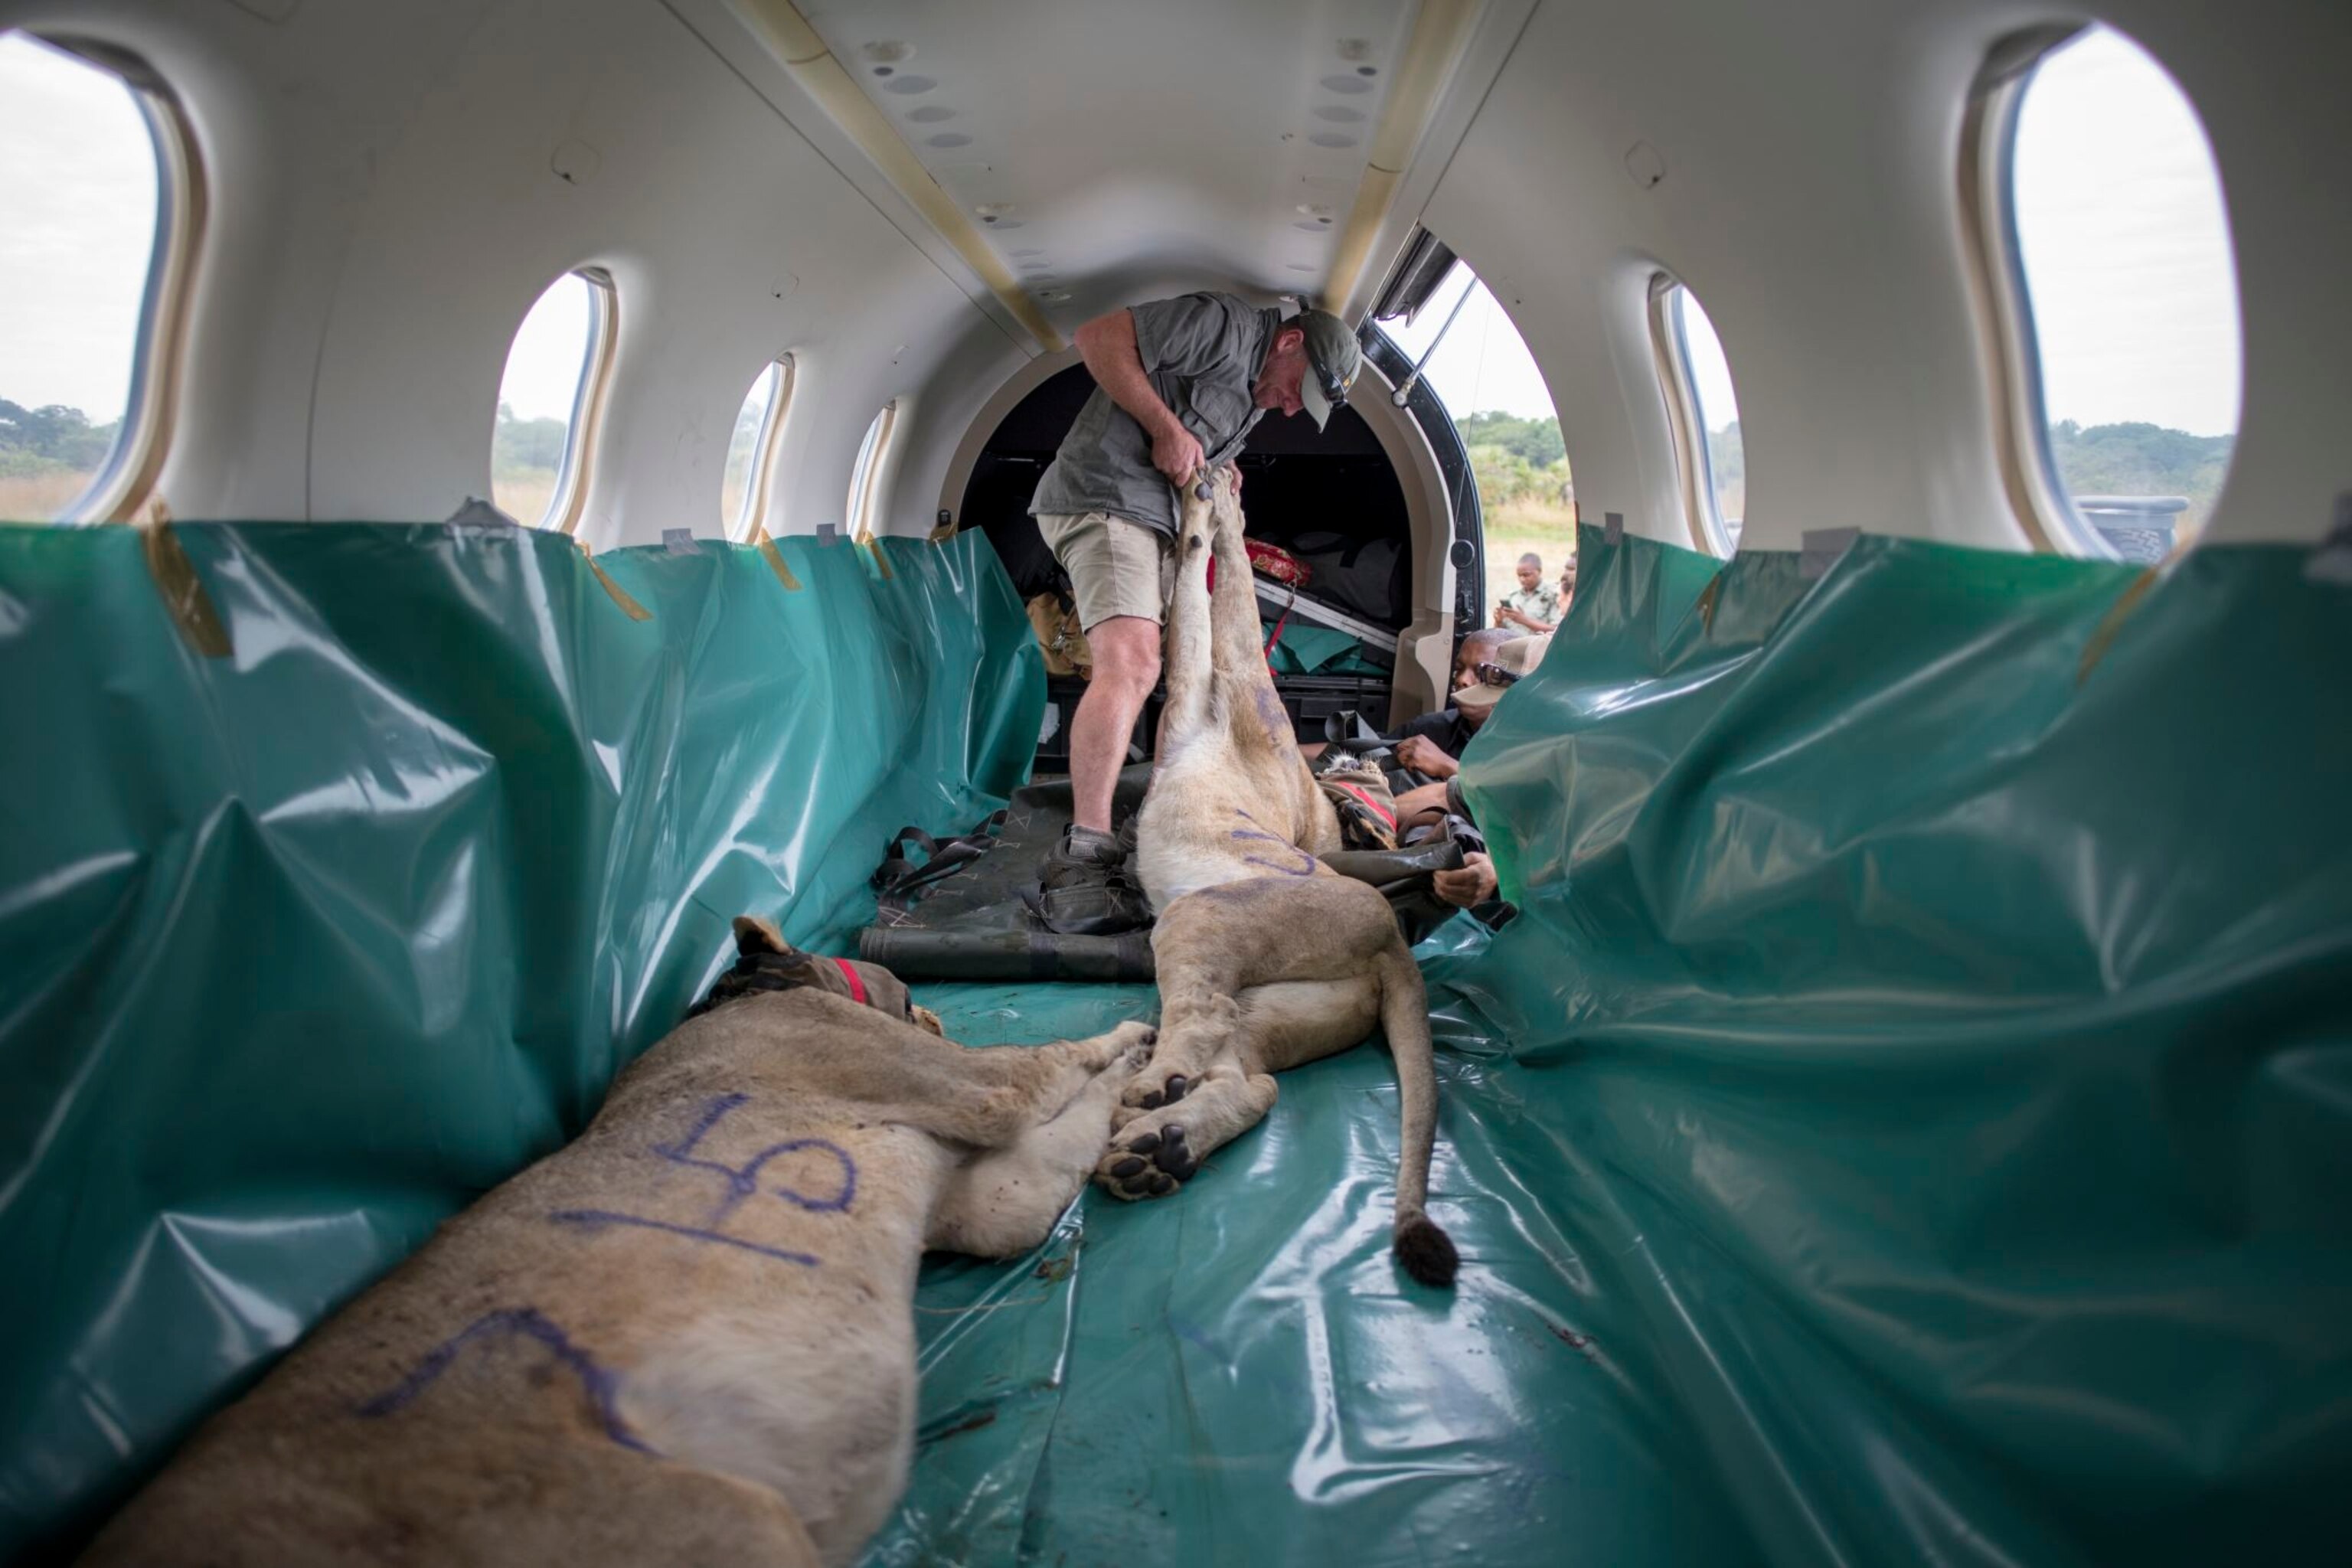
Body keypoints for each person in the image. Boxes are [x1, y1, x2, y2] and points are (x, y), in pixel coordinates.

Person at [1027, 292, 1365, 933]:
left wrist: (1218, 463)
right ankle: (1086, 848)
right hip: (1105, 499)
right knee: (1132, 665)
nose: (1292, 408)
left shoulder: (1256, 388)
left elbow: (1194, 432)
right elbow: (1098, 336)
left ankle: (1160, 826)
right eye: (1298, 391)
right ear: (1290, 342)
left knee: (1184, 674)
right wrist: (1165, 428)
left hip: (1153, 516)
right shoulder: (1222, 326)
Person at [1494, 552, 1560, 634]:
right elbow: (1500, 633)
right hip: (1510, 641)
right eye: (1519, 575)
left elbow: (1556, 631)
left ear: (1539, 571)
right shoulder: (1514, 597)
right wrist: (1499, 621)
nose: (1522, 579)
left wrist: (1524, 620)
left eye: (1526, 575)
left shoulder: (1553, 595)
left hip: (1536, 642)